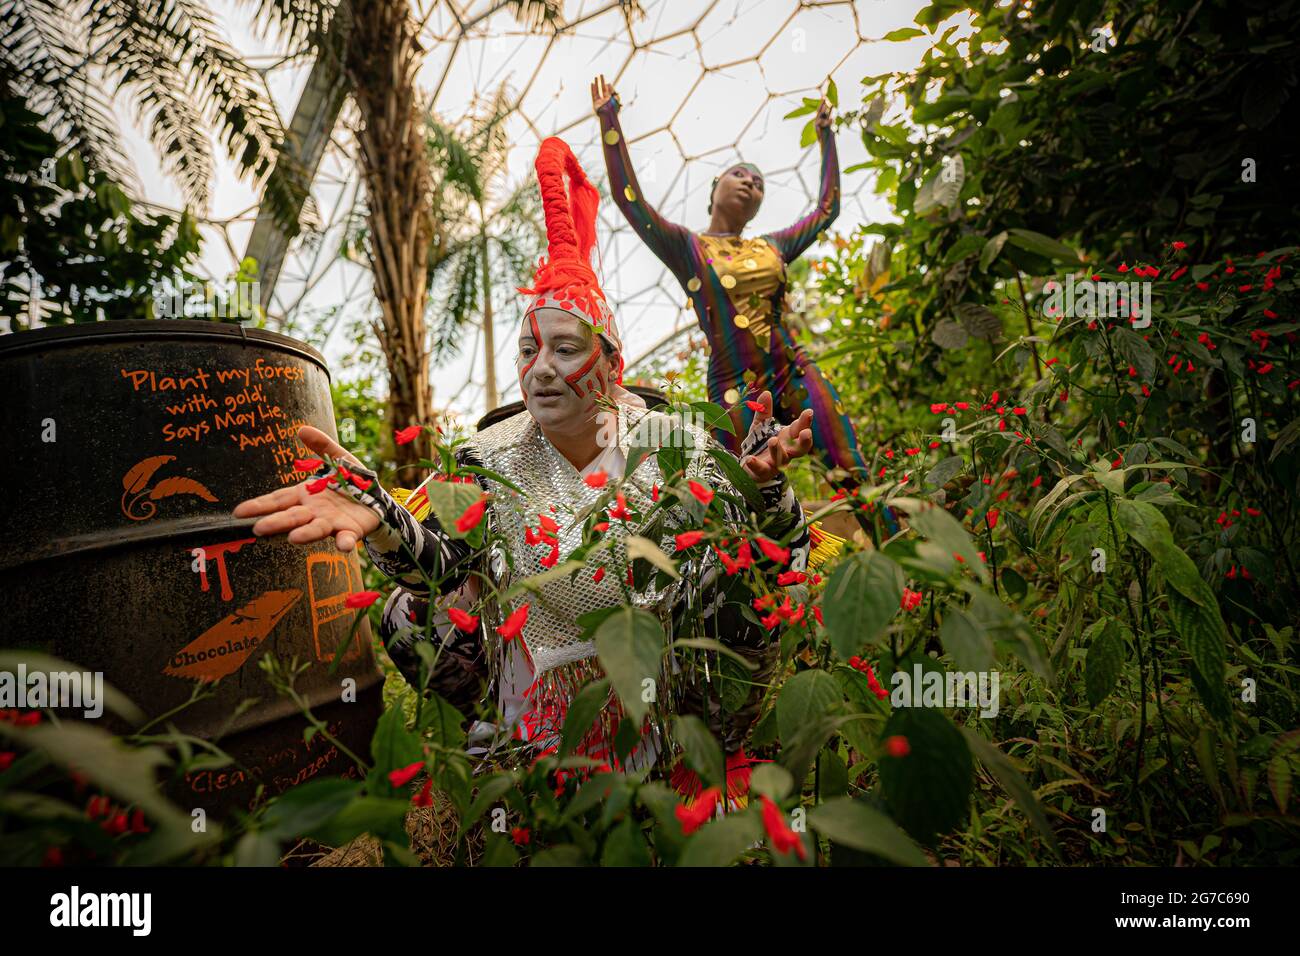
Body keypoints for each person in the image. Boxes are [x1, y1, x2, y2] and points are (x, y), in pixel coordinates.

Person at [234, 137, 817, 799]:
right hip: (543, 681)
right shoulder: (487, 457)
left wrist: (765, 491)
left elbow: (782, 554)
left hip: (661, 678)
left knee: (743, 587)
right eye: (527, 351)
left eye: (564, 348)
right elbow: (446, 566)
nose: (539, 369)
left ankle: (716, 748)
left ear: (613, 366)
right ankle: (511, 740)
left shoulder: (672, 442)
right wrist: (383, 518)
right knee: (409, 612)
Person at [592, 74, 873, 508]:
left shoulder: (773, 246)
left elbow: (827, 209)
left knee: (850, 466)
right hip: (733, 383)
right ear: (714, 191)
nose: (750, 183)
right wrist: (609, 119)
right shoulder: (689, 248)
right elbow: (631, 201)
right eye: (739, 175)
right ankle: (770, 570)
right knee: (745, 491)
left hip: (794, 367)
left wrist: (827, 137)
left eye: (758, 183)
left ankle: (909, 565)